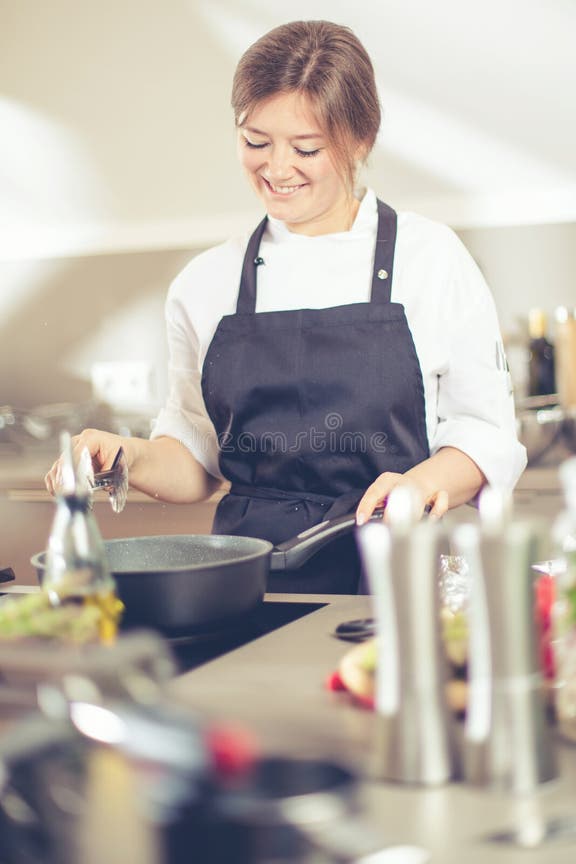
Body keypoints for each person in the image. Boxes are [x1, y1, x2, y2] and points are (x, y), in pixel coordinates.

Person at [45, 20, 526, 594]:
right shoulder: (205, 282)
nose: (275, 169)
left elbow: (484, 434)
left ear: (360, 140)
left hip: (395, 580)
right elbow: (196, 457)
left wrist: (421, 484)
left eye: (305, 148)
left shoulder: (433, 259)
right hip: (249, 582)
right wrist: (122, 456)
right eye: (255, 142)